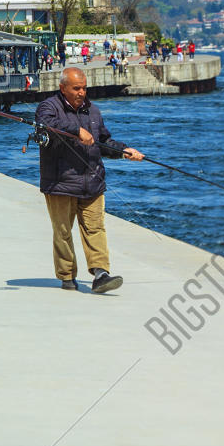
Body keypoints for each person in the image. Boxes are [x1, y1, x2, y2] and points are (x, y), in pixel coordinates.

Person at [37, 67, 145, 293]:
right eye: (76, 88)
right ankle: (67, 276)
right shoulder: (48, 107)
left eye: (84, 88)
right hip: (60, 183)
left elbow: (104, 141)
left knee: (95, 229)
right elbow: (46, 125)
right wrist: (77, 130)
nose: (81, 93)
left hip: (93, 182)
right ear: (62, 88)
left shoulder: (93, 111)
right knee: (63, 232)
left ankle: (101, 274)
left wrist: (124, 151)